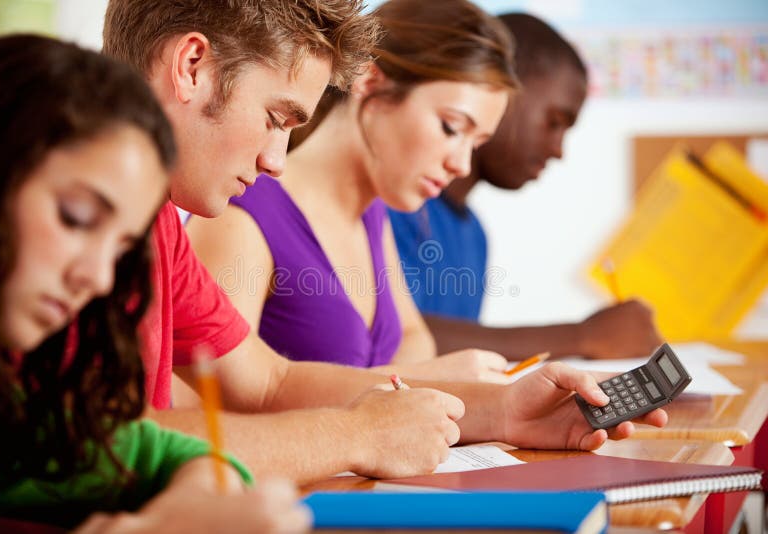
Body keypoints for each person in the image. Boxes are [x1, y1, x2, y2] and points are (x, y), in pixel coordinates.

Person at [103, 0, 668, 486]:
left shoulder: (160, 226)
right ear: (192, 65)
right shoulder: (88, 222)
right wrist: (354, 434)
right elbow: (110, 441)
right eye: (275, 118)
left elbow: (269, 382)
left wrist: (506, 411)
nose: (277, 161)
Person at [0, 34, 309, 534]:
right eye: (75, 217)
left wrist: (193, 495)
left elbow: (158, 450)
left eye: (121, 250)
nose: (97, 278)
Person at [188, 0, 516, 383]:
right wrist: (418, 381)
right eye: (451, 127)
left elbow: (415, 338)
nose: (461, 165)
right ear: (370, 82)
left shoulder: (371, 213)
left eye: (476, 144)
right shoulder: (241, 215)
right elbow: (206, 403)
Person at [389, 13, 664, 360]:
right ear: (498, 89)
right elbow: (390, 336)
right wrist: (581, 337)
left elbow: (455, 367)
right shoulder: (394, 204)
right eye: (554, 122)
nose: (558, 150)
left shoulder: (474, 235)